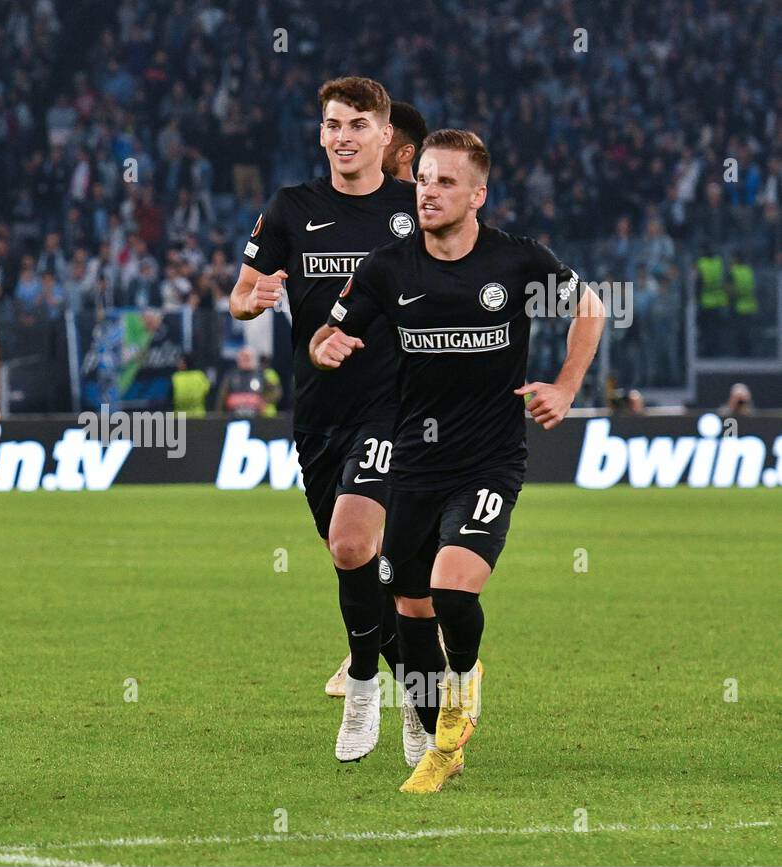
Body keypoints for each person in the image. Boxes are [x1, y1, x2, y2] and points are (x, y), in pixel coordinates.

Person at [312, 129, 606, 791]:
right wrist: (326, 348)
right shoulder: (388, 267)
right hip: (415, 466)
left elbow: (590, 307)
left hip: (490, 462)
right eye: (423, 180)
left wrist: (565, 385)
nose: (429, 192)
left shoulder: (517, 262)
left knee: (451, 587)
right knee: (409, 607)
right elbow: (332, 333)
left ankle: (465, 682)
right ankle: (441, 748)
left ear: (478, 194)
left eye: (445, 182)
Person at [229, 76, 425, 764]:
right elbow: (240, 297)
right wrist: (257, 301)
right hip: (316, 413)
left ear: (384, 137)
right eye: (332, 125)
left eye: (356, 125)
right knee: (361, 566)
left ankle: (366, 687)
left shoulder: (413, 210)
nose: (342, 137)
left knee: (351, 544)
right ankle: (426, 698)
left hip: (393, 407)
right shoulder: (291, 208)